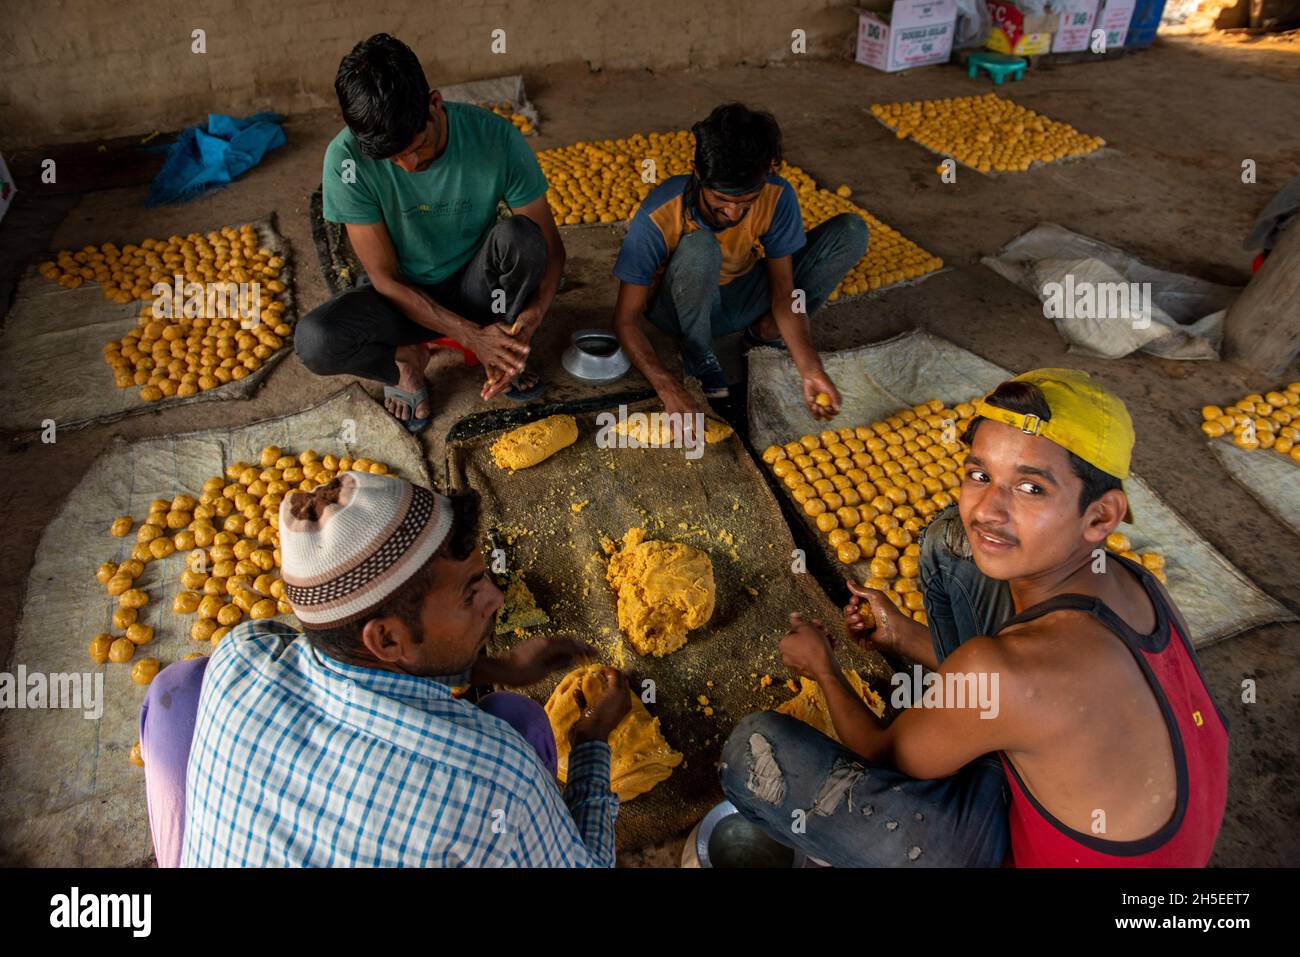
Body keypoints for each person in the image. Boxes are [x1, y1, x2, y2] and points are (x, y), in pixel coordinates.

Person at [720, 369, 1229, 867]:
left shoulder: (1010, 675)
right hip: (1126, 812)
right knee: (952, 541)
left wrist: (824, 667)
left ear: (1101, 515)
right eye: (979, 475)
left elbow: (880, 754)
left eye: (1031, 489)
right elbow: (1010, 693)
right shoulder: (1138, 584)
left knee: (752, 753)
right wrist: (899, 633)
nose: (987, 509)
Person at [139, 471, 629, 867]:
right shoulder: (497, 777)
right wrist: (590, 742)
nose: (495, 599)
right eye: (470, 591)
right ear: (388, 639)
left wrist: (486, 669)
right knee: (520, 722)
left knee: (178, 690)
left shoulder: (241, 654)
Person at [295, 34, 566, 432]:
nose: (407, 167)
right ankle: (405, 360)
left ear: (434, 104)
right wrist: (470, 337)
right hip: (401, 302)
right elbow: (385, 278)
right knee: (315, 341)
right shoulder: (345, 160)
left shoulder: (494, 137)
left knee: (522, 238)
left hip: (480, 291)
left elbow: (552, 248)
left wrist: (531, 317)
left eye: (416, 147)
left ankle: (505, 349)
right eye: (392, 159)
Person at [611, 103, 867, 429]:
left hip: (740, 295)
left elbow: (784, 291)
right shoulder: (660, 212)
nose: (733, 214)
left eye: (746, 202)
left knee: (850, 232)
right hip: (677, 307)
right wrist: (667, 387)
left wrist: (810, 368)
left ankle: (764, 332)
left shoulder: (776, 196)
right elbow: (625, 319)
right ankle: (698, 351)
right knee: (701, 246)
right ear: (698, 174)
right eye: (721, 201)